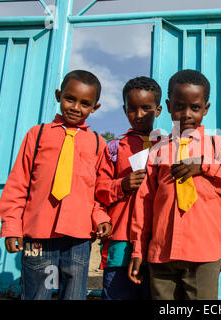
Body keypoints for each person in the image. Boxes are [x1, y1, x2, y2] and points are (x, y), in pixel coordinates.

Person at [128, 69, 221, 300]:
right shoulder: (158, 151)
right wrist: (137, 249)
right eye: (179, 106)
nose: (186, 114)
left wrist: (205, 165)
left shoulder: (218, 146)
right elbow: (144, 203)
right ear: (168, 105)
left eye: (194, 107)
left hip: (204, 254)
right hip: (162, 254)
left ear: (206, 108)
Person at [0, 70, 112, 300]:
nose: (76, 107)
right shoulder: (37, 135)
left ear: (95, 108)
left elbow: (98, 191)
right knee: (38, 293)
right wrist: (11, 227)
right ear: (59, 95)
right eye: (70, 98)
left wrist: (101, 218)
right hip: (39, 235)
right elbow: (18, 184)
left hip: (78, 239)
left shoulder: (97, 143)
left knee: (74, 294)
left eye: (85, 103)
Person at [95, 76, 162, 300]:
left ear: (159, 110)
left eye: (146, 108)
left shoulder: (169, 147)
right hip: (121, 238)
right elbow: (99, 188)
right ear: (124, 110)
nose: (139, 114)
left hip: (156, 236)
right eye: (132, 109)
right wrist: (121, 185)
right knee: (117, 292)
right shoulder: (114, 148)